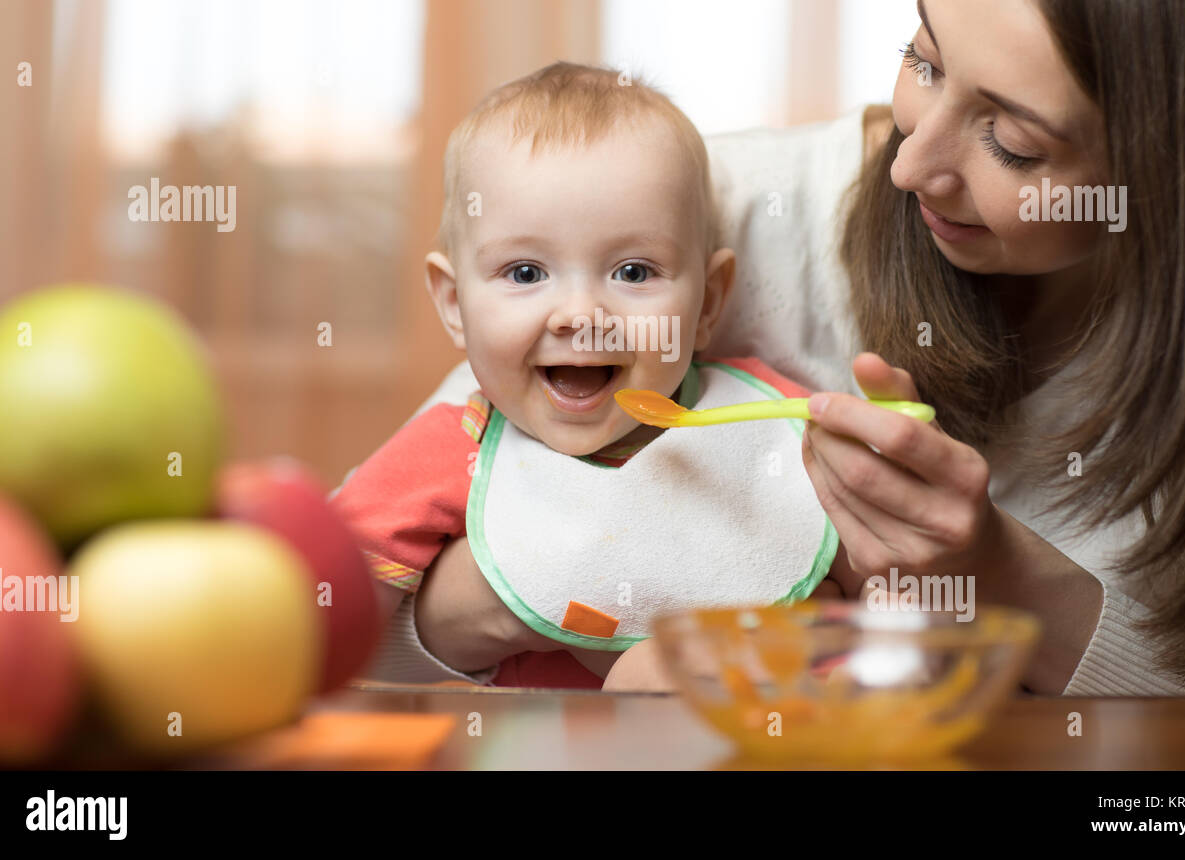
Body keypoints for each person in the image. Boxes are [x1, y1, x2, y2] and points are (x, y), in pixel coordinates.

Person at [368, 0, 1185, 696]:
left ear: (1173, 169)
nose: (908, 165)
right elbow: (340, 628)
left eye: (1010, 142)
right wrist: (560, 588)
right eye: (921, 59)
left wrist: (1006, 579)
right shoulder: (671, 208)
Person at [331, 61, 842, 689]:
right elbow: (328, 626)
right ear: (455, 304)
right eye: (525, 273)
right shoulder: (453, 450)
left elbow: (879, 587)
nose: (580, 316)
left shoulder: (769, 420)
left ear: (708, 303)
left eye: (632, 273)